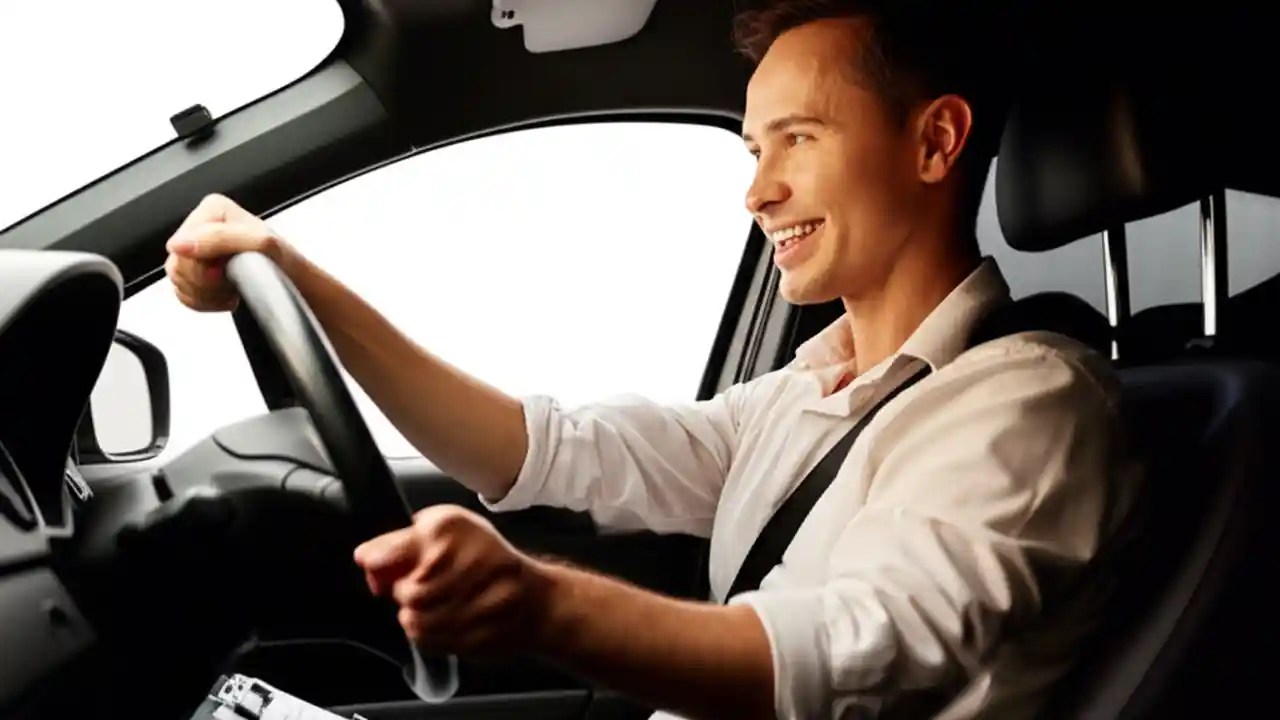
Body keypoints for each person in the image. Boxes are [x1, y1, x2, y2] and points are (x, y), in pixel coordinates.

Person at [162, 2, 1138, 718]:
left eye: (794, 139)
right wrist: (293, 277)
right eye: (752, 150)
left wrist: (540, 602)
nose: (757, 192)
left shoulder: (1025, 406)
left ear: (934, 141)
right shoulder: (806, 389)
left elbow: (843, 650)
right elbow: (543, 450)